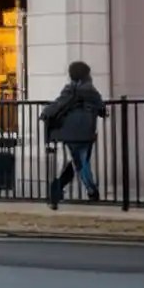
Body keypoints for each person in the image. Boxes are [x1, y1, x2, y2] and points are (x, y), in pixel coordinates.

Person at [39, 61, 106, 202]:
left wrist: (45, 113)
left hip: (70, 132)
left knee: (79, 162)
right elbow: (101, 108)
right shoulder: (92, 91)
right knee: (82, 161)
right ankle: (89, 190)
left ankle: (83, 189)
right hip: (87, 131)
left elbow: (59, 104)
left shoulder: (70, 89)